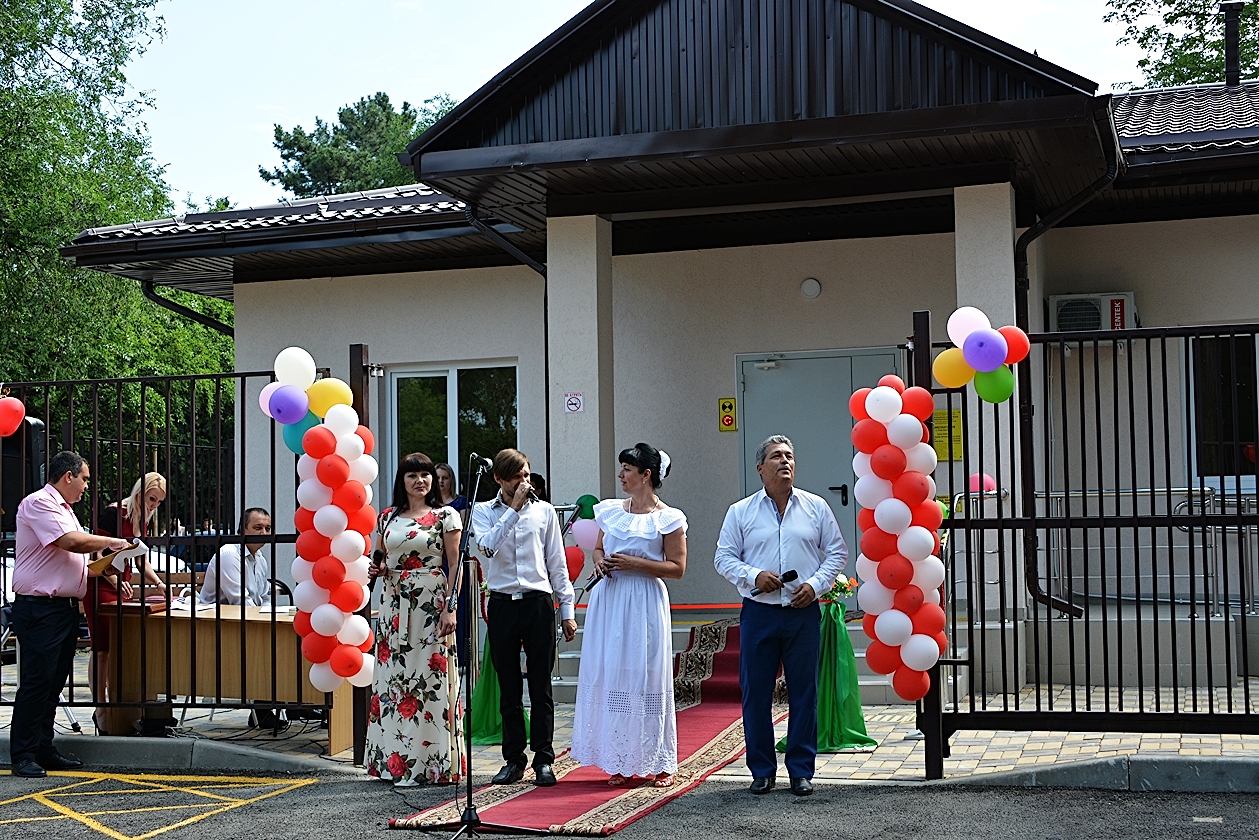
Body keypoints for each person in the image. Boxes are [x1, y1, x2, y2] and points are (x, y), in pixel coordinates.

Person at [714, 435, 846, 797]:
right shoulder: (740, 512)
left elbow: (836, 553)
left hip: (803, 614)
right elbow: (723, 558)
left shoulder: (816, 507)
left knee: (805, 692)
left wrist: (816, 585)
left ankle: (801, 770)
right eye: (776, 457)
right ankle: (762, 770)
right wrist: (753, 576)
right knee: (756, 693)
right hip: (759, 613)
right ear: (760, 468)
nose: (785, 462)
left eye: (789, 456)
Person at [572, 443, 687, 788]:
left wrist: (635, 563)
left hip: (644, 600)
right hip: (611, 598)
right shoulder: (610, 511)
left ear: (646, 475)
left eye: (627, 470)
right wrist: (599, 561)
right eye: (621, 469)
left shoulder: (669, 518)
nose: (621, 476)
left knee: (646, 676)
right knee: (614, 676)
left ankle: (659, 760)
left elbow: (677, 568)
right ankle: (619, 758)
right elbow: (598, 547)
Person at [10, 451, 130, 778]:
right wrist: (112, 541)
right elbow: (70, 543)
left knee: (53, 682)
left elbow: (81, 561)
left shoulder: (65, 510)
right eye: (85, 479)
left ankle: (43, 747)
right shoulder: (39, 503)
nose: (86, 487)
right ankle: (22, 753)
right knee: (37, 681)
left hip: (61, 609)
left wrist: (111, 576)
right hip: (39, 608)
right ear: (68, 476)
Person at [471, 449, 577, 787]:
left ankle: (544, 759)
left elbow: (557, 563)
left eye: (528, 475)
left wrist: (568, 611)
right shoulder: (484, 511)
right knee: (509, 688)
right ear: (500, 479)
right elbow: (486, 547)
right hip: (502, 602)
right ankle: (513, 759)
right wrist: (513, 511)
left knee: (541, 686)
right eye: (517, 477)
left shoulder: (545, 512)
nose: (524, 483)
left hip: (537, 602)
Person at [365, 452, 464, 786]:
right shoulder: (387, 517)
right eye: (412, 476)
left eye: (425, 475)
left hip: (430, 606)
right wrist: (376, 569)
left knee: (428, 681)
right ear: (401, 481)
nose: (420, 481)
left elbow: (455, 564)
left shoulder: (445, 516)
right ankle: (392, 761)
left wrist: (450, 608)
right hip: (394, 606)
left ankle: (429, 763)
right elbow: (381, 556)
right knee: (395, 684)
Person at [87, 472, 168, 735]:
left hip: (121, 584)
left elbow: (139, 558)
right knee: (102, 649)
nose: (153, 505)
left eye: (158, 502)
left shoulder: (140, 521)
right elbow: (95, 553)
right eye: (151, 499)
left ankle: (117, 706)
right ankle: (100, 709)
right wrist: (114, 580)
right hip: (101, 583)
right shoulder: (114, 513)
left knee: (117, 648)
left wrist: (157, 582)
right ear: (139, 492)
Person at [197, 508, 273, 607]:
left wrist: (269, 617)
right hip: (216, 619)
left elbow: (264, 598)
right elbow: (240, 601)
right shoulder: (229, 554)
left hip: (246, 616)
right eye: (258, 528)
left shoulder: (260, 559)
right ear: (242, 530)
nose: (264, 533)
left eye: (267, 529)